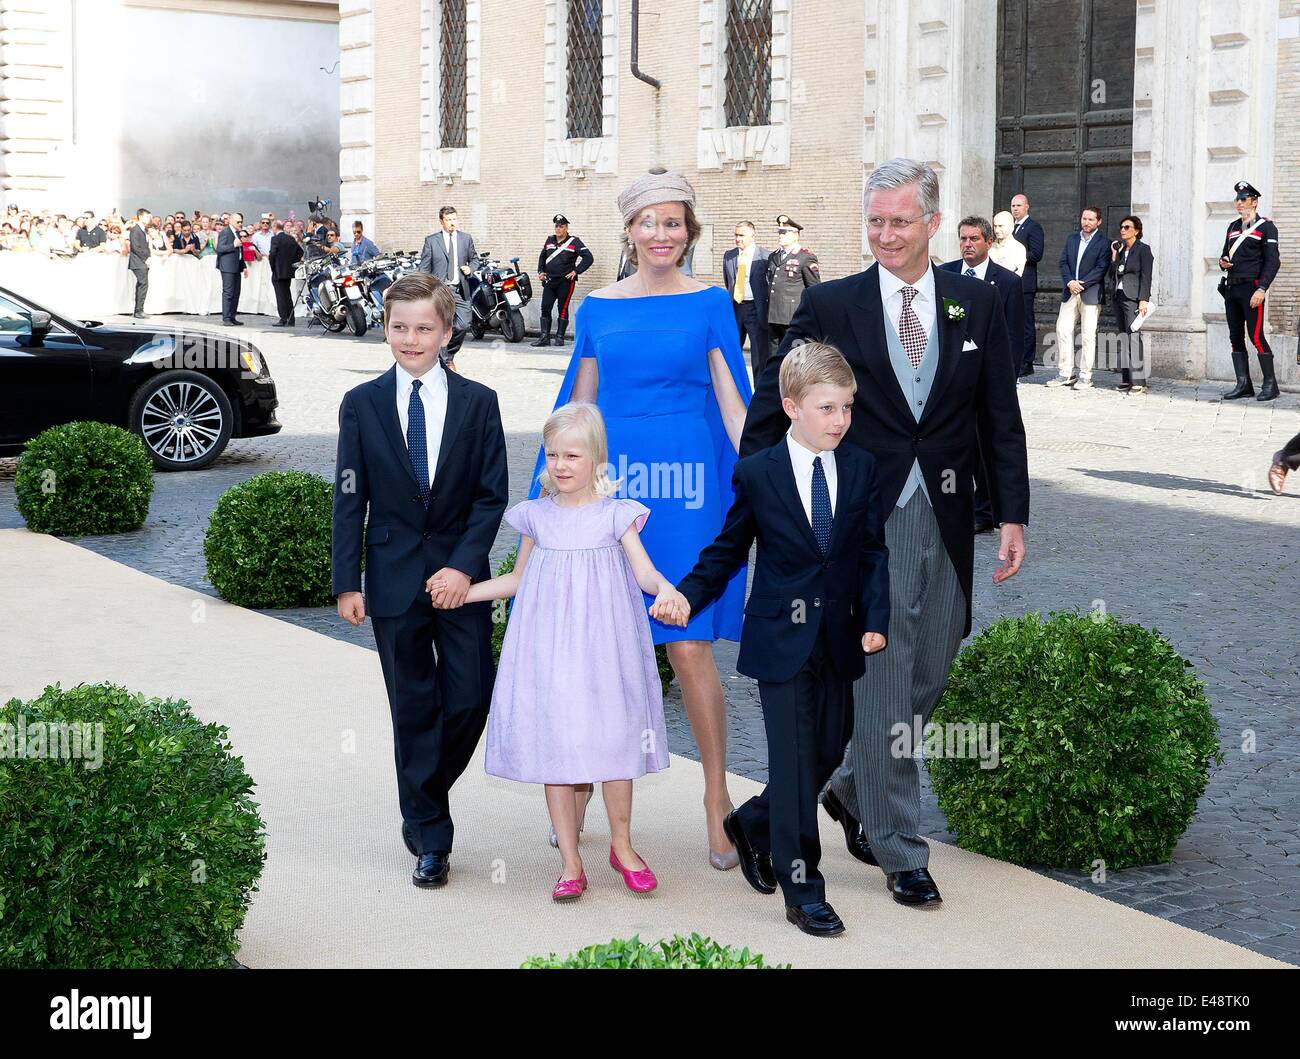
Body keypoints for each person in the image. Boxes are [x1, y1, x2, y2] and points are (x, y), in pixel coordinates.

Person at [741, 157, 1029, 908]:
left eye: (900, 221)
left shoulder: (976, 303)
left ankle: (829, 790)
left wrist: (1015, 512)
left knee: (935, 657)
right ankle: (899, 844)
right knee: (883, 681)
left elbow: (1000, 413)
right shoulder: (833, 302)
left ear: (934, 222)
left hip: (950, 512)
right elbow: (778, 401)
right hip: (863, 521)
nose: (886, 235)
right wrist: (762, 499)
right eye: (874, 220)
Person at [540, 168, 753, 870]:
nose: (661, 234)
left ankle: (716, 797)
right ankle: (585, 789)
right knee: (598, 642)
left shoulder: (711, 301)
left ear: (688, 231)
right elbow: (583, 401)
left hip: (691, 489)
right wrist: (573, 494)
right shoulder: (598, 306)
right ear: (629, 231)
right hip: (619, 485)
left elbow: (731, 400)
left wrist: (765, 481)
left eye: (673, 222)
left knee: (687, 644)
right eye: (648, 222)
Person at [672, 342, 890, 937]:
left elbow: (871, 550)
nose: (840, 420)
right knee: (794, 763)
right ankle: (804, 888)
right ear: (791, 407)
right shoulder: (759, 472)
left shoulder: (862, 467)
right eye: (827, 408)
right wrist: (689, 595)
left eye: (847, 408)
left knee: (827, 749)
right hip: (780, 638)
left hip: (840, 638)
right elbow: (727, 548)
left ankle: (753, 822)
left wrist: (875, 618)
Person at [436, 402, 677, 901]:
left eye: (573, 455)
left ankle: (623, 846)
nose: (561, 465)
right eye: (552, 455)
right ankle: (570, 861)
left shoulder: (616, 515)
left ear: (597, 460)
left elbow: (645, 574)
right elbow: (517, 579)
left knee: (616, 745)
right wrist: (466, 591)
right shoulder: (536, 518)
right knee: (558, 749)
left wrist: (669, 590)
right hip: (549, 649)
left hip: (606, 648)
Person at [332, 272, 508, 889]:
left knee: (469, 697)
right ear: (385, 329)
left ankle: (422, 786)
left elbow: (491, 499)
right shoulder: (362, 405)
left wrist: (462, 567)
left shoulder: (479, 403)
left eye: (424, 328)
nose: (411, 339)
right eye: (400, 327)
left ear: (447, 332)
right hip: (390, 576)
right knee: (411, 704)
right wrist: (346, 581)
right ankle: (429, 835)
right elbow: (349, 497)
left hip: (462, 577)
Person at [938, 215, 1024, 533]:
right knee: (956, 445)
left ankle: (986, 509)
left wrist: (1006, 380)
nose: (967, 245)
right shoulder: (944, 276)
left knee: (987, 444)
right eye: (963, 239)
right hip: (951, 380)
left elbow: (1015, 335)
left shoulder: (1008, 283)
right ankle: (952, 499)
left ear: (989, 242)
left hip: (987, 380)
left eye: (974, 239)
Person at [1219, 180, 1281, 402]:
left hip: (1252, 288)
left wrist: (1262, 288)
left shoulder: (1266, 227)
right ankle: (1243, 384)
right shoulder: (1233, 227)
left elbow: (1273, 262)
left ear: (1254, 202)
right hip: (1232, 288)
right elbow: (1225, 254)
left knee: (1256, 336)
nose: (1239, 203)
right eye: (1237, 199)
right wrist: (1223, 262)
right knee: (1235, 336)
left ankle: (1270, 384)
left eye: (1243, 199)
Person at [1048, 205, 1109, 389]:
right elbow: (1063, 262)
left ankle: (1085, 376)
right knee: (1062, 330)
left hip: (1090, 293)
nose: (1086, 222)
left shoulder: (1104, 242)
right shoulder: (1072, 239)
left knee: (1087, 336)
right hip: (1070, 292)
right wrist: (1070, 282)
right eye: (1084, 219)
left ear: (1098, 221)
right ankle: (1066, 373)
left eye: (1091, 219)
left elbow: (1101, 268)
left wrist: (1081, 284)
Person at [417, 206, 476, 358]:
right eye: (449, 220)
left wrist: (471, 268)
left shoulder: (465, 239)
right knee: (441, 327)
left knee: (463, 325)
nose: (452, 223)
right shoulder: (431, 241)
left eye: (454, 219)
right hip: (439, 291)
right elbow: (423, 269)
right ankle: (443, 362)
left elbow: (474, 259)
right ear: (441, 222)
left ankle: (448, 355)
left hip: (459, 290)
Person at [531, 214, 594, 348]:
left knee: (563, 308)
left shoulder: (574, 242)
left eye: (561, 226)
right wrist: (540, 271)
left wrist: (576, 271)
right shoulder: (549, 240)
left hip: (565, 282)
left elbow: (588, 258)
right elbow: (542, 257)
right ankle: (544, 338)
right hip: (549, 281)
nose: (558, 228)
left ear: (566, 227)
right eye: (557, 226)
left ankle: (560, 338)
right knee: (545, 307)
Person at [1110, 215, 1154, 394]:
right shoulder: (1121, 251)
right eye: (1121, 227)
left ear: (1136, 230)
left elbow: (1146, 276)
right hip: (1119, 296)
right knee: (1124, 337)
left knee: (1134, 337)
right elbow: (1112, 273)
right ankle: (1127, 379)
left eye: (1127, 227)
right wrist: (1114, 254)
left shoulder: (1143, 250)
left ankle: (1139, 381)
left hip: (1133, 298)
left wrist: (1143, 299)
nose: (1123, 230)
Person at [766, 214, 820, 361]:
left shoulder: (805, 256)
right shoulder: (774, 256)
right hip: (773, 315)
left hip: (793, 316)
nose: (780, 236)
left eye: (784, 232)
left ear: (796, 235)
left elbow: (814, 288)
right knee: (774, 357)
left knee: (796, 357)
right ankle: (776, 383)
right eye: (779, 232)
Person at [721, 220, 771, 379]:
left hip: (755, 310)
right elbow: (729, 282)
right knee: (732, 351)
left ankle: (758, 396)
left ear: (752, 235)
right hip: (735, 308)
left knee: (758, 355)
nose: (737, 239)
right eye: (735, 235)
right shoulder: (729, 256)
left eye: (741, 235)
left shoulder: (765, 257)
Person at [1010, 193, 1044, 376]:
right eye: (1013, 205)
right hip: (1010, 282)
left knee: (1026, 324)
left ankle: (1026, 362)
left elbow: (1037, 254)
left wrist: (1014, 257)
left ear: (1027, 207)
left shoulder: (1033, 227)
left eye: (1018, 205)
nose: (1015, 208)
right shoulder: (1010, 228)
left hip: (1025, 282)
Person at [268, 220, 303, 327]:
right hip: (288, 271)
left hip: (278, 271)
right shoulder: (290, 238)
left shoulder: (275, 239)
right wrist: (291, 263)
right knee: (287, 295)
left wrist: (273, 266)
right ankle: (291, 318)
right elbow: (300, 252)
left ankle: (283, 318)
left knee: (280, 295)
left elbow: (272, 254)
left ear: (274, 227)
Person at [216, 211, 247, 325]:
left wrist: (243, 266)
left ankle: (232, 317)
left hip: (236, 266)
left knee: (236, 292)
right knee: (228, 292)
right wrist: (233, 245)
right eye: (238, 222)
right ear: (231, 221)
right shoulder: (225, 232)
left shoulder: (237, 233)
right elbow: (219, 248)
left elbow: (240, 251)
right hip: (227, 266)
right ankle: (226, 318)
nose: (240, 223)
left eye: (241, 222)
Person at [128, 209, 151, 319]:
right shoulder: (135, 230)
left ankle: (139, 309)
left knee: (142, 284)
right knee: (143, 284)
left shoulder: (143, 230)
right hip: (138, 261)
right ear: (140, 217)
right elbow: (135, 247)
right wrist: (145, 258)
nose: (148, 219)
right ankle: (138, 311)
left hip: (141, 261)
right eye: (147, 217)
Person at [989, 211, 1026, 276]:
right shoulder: (989, 247)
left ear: (1011, 227)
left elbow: (1016, 275)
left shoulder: (1018, 248)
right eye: (995, 226)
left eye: (1000, 226)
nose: (997, 230)